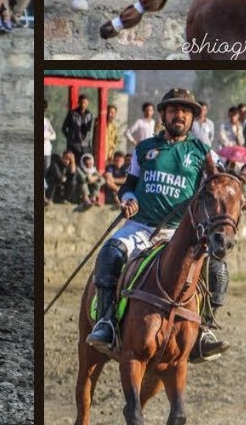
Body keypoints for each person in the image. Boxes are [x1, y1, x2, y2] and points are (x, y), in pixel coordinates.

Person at [86, 89, 229, 362]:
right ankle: (106, 323)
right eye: (174, 110)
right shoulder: (144, 148)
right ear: (163, 115)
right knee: (110, 253)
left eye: (185, 111)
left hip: (181, 233)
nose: (179, 115)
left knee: (217, 269)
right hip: (141, 227)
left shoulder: (203, 152)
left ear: (193, 118)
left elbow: (220, 184)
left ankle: (205, 330)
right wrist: (128, 200)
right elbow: (128, 186)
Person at [63, 95, 95, 160]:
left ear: (88, 103)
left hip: (85, 144)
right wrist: (70, 138)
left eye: (85, 103)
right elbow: (64, 128)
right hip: (73, 144)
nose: (83, 105)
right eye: (81, 103)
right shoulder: (72, 114)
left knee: (85, 161)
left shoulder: (89, 115)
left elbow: (89, 129)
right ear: (78, 103)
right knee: (73, 161)